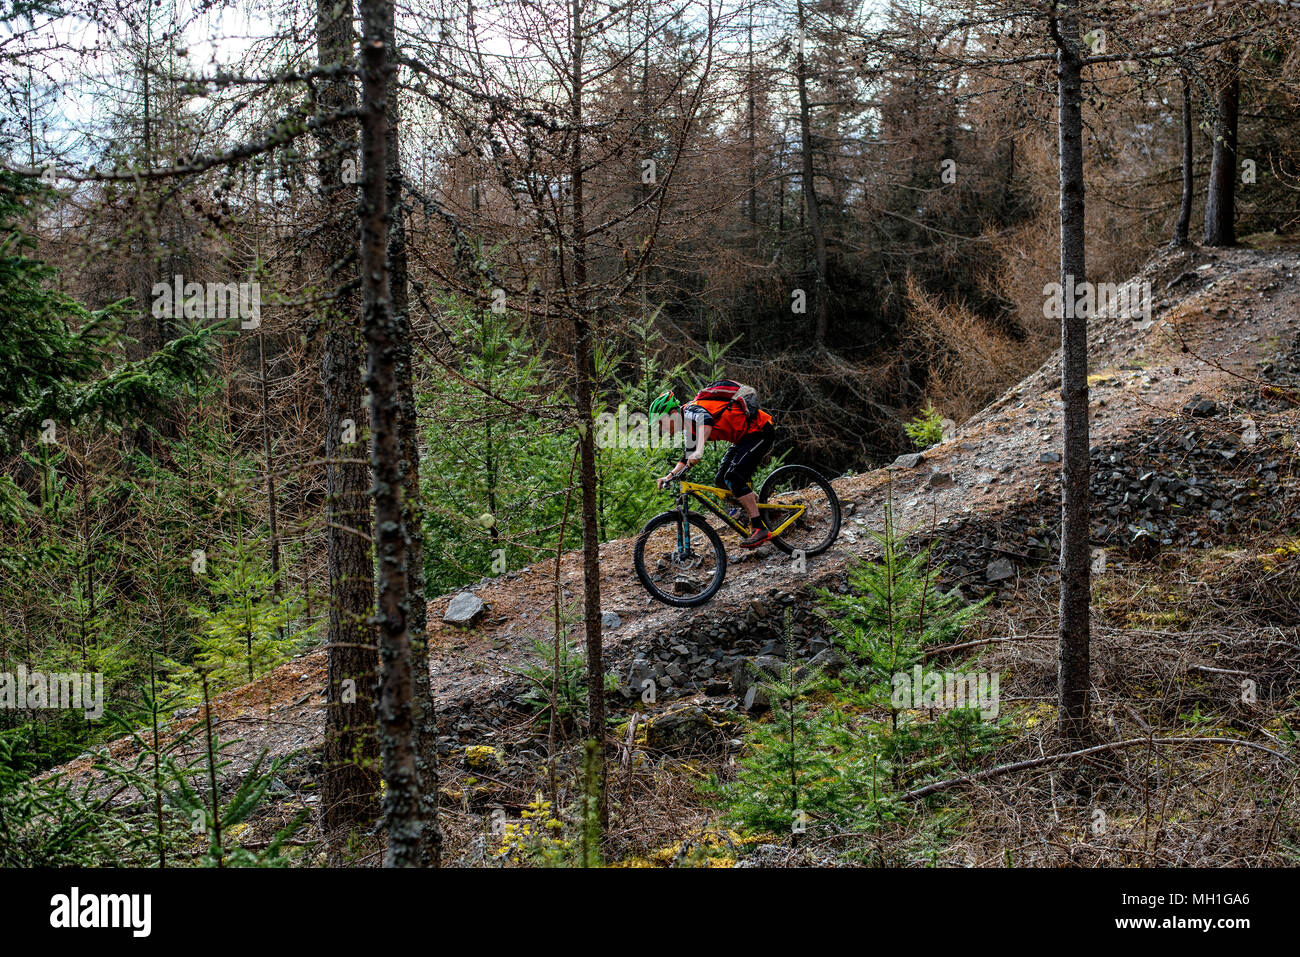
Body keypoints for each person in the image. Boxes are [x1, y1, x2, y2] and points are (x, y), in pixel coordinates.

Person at [650, 385, 776, 547]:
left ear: (673, 414)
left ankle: (759, 527)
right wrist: (669, 476)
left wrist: (699, 451)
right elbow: (687, 455)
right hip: (742, 438)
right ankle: (765, 513)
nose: (662, 429)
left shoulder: (691, 410)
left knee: (733, 477)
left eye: (662, 423)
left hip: (759, 431)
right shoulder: (688, 427)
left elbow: (706, 421)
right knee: (721, 480)